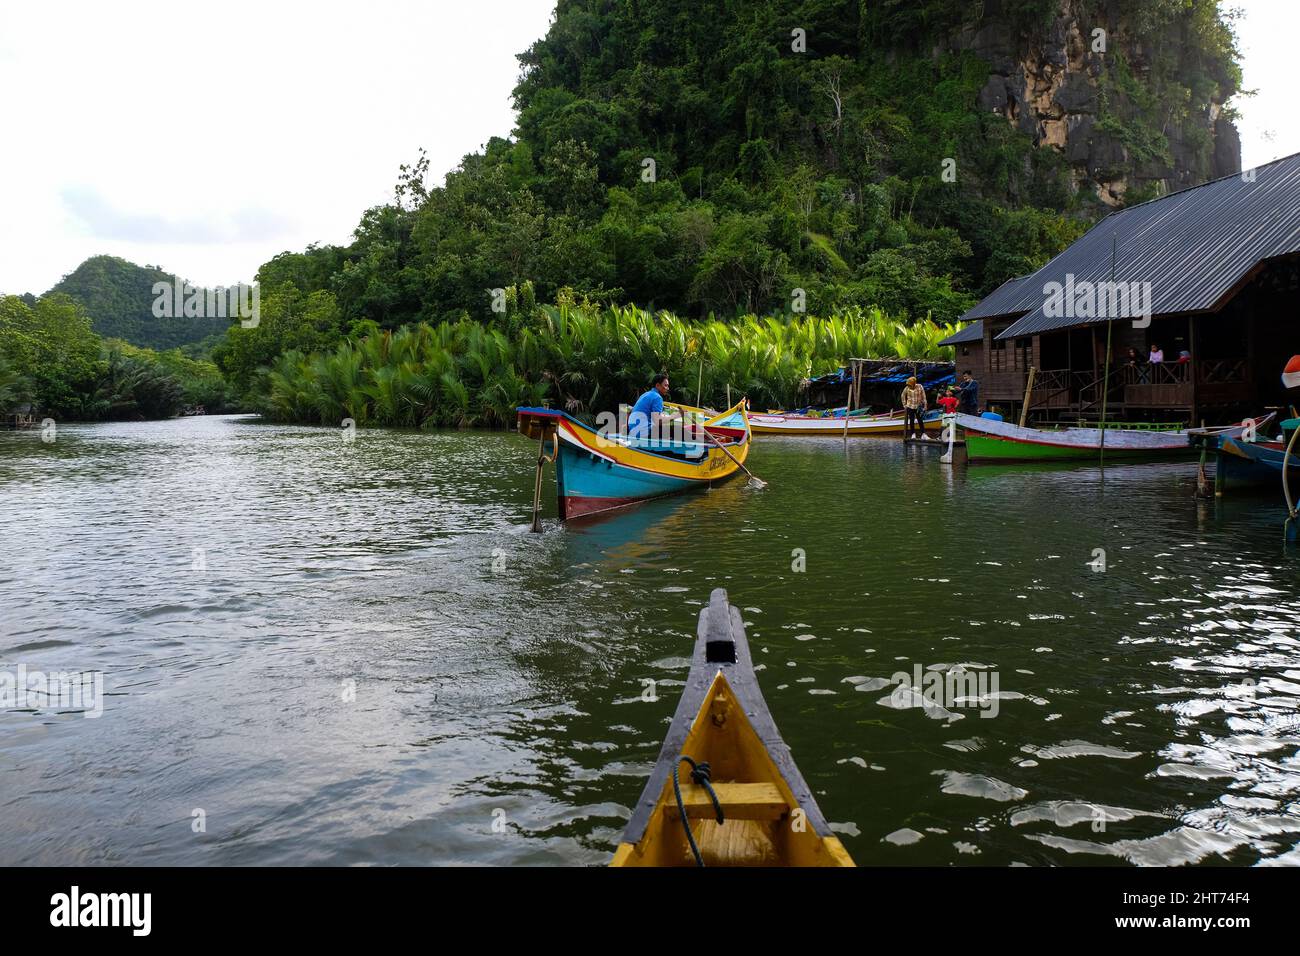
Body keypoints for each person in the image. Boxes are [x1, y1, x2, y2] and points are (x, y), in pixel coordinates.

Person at [628, 373, 673, 440]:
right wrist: (675, 416)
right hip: (642, 432)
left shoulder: (645, 394)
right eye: (665, 385)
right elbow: (657, 421)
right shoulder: (657, 397)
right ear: (657, 385)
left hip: (633, 430)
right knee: (676, 431)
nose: (667, 388)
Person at [900, 376, 927, 440]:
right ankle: (913, 434)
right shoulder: (907, 388)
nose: (909, 386)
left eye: (910, 384)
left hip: (918, 406)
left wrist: (925, 405)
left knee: (920, 420)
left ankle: (923, 434)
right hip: (910, 406)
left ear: (913, 383)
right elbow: (902, 395)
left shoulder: (920, 386)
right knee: (911, 420)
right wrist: (904, 405)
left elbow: (924, 396)